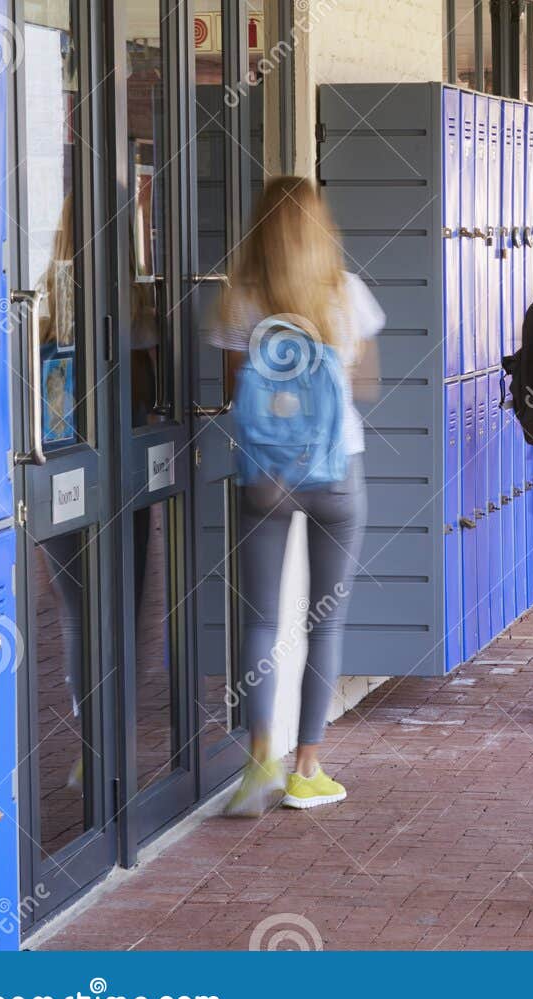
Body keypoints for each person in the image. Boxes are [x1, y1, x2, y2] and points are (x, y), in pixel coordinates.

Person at [212, 176, 384, 818]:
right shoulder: (345, 294)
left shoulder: (240, 299)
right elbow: (363, 383)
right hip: (338, 474)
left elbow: (238, 398)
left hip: (264, 479)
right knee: (324, 620)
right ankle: (308, 768)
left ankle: (261, 759)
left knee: (260, 621)